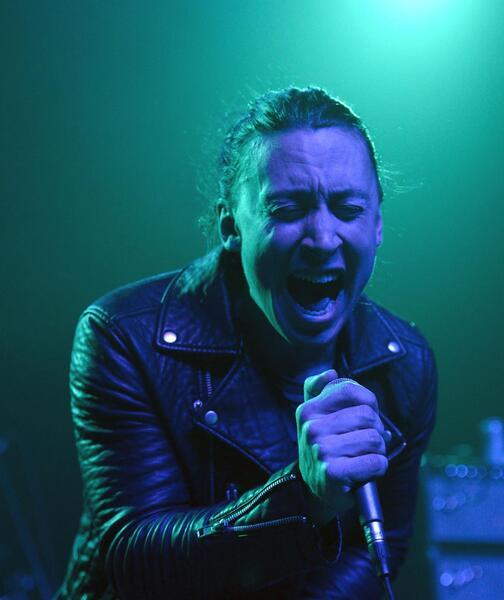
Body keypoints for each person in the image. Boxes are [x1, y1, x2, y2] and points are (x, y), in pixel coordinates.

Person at [57, 86, 437, 599]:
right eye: (287, 208)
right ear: (231, 226)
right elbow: (138, 561)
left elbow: (374, 553)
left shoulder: (405, 364)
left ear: (377, 226)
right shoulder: (124, 337)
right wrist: (304, 500)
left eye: (348, 208)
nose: (323, 239)